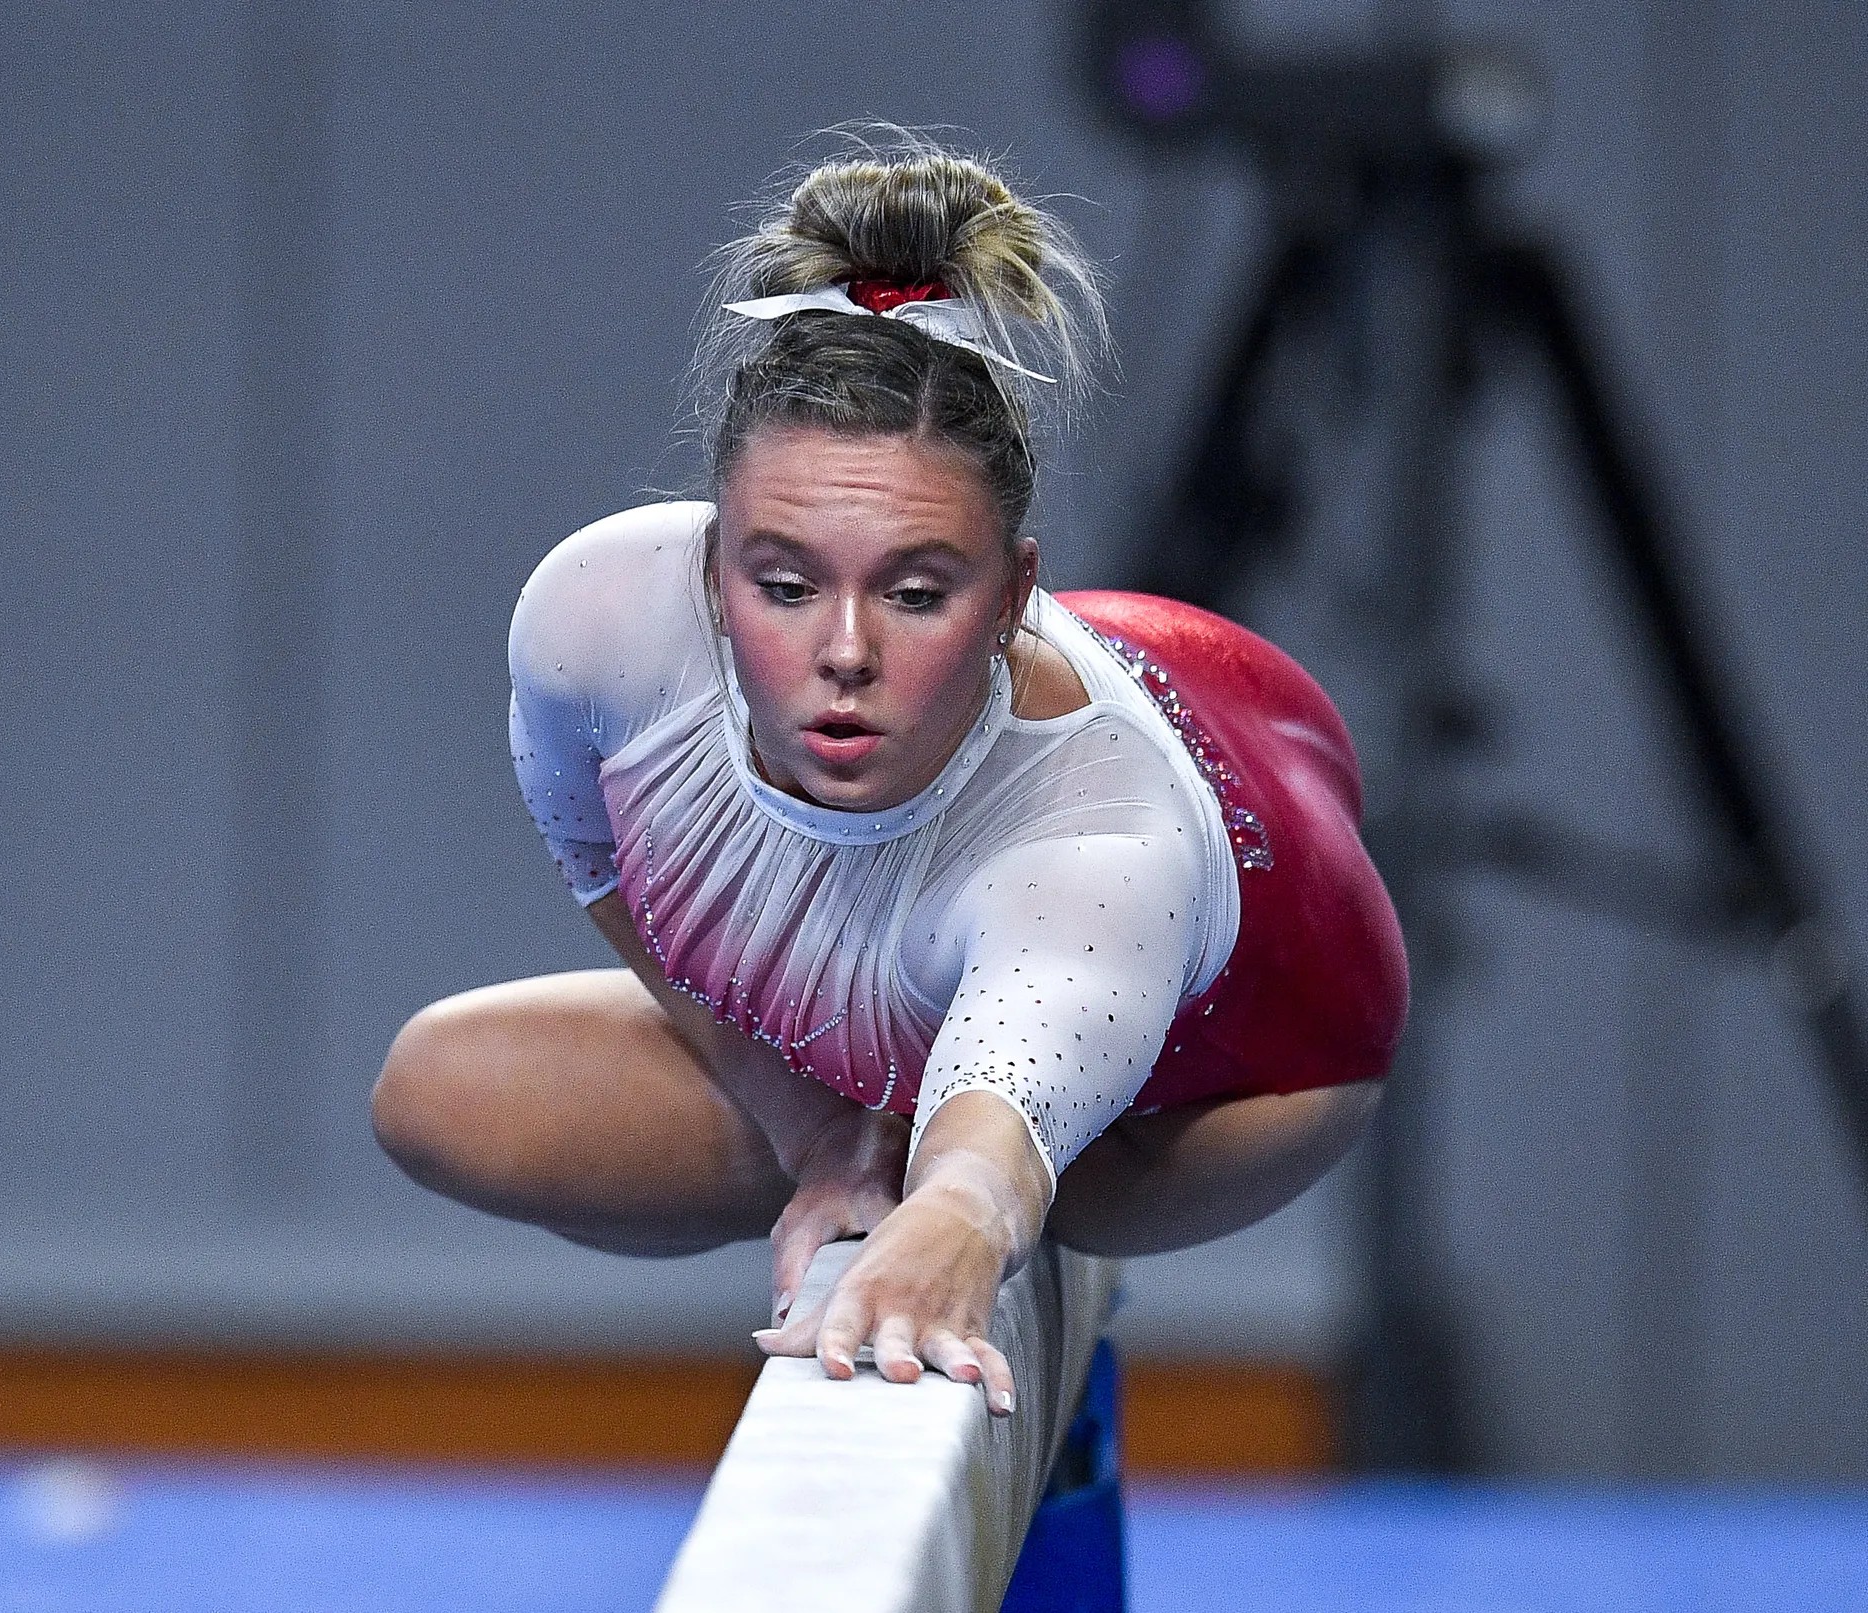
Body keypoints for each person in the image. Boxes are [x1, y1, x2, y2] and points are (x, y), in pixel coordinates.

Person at [371, 134, 1408, 1416]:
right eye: (785, 583)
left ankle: (899, 1117)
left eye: (917, 593)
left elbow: (985, 1178)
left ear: (1014, 592)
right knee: (436, 1089)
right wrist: (811, 1132)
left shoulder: (1094, 857)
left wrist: (953, 1219)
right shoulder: (599, 623)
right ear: (709, 569)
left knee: (1033, 1189)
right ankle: (869, 1114)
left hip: (1230, 1064)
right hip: (944, 968)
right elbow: (601, 865)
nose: (844, 652)